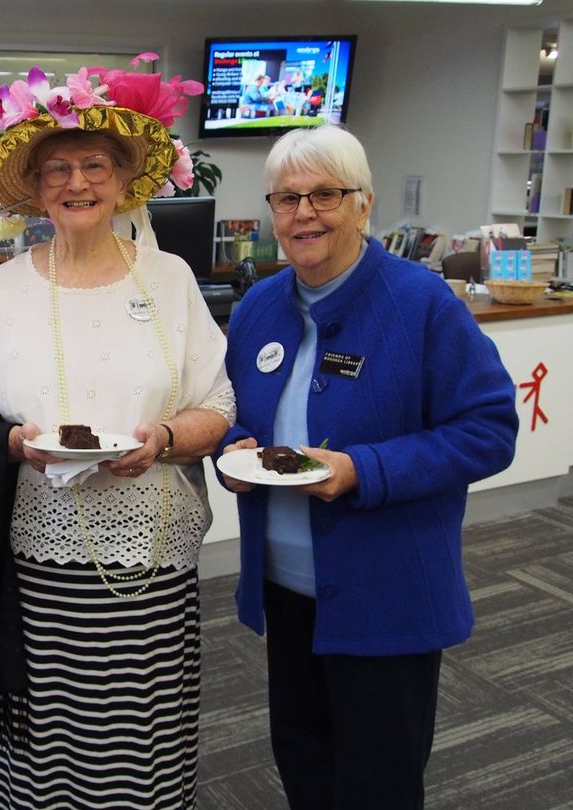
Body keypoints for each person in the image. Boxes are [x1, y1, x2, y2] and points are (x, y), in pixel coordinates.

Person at [0, 56, 236, 809]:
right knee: (47, 741)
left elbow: (219, 405)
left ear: (120, 180)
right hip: (33, 567)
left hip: (149, 563)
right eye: (58, 170)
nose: (77, 183)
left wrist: (167, 440)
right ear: (36, 189)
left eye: (94, 165)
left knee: (138, 740)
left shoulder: (169, 278)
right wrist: (13, 445)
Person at [217, 124, 518, 810]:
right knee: (303, 762)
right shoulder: (260, 305)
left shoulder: (422, 304)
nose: (303, 214)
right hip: (288, 592)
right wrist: (231, 445)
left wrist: (364, 470)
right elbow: (233, 410)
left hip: (389, 595)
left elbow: (489, 430)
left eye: (325, 194)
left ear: (364, 203)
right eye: (287, 199)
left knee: (377, 782)